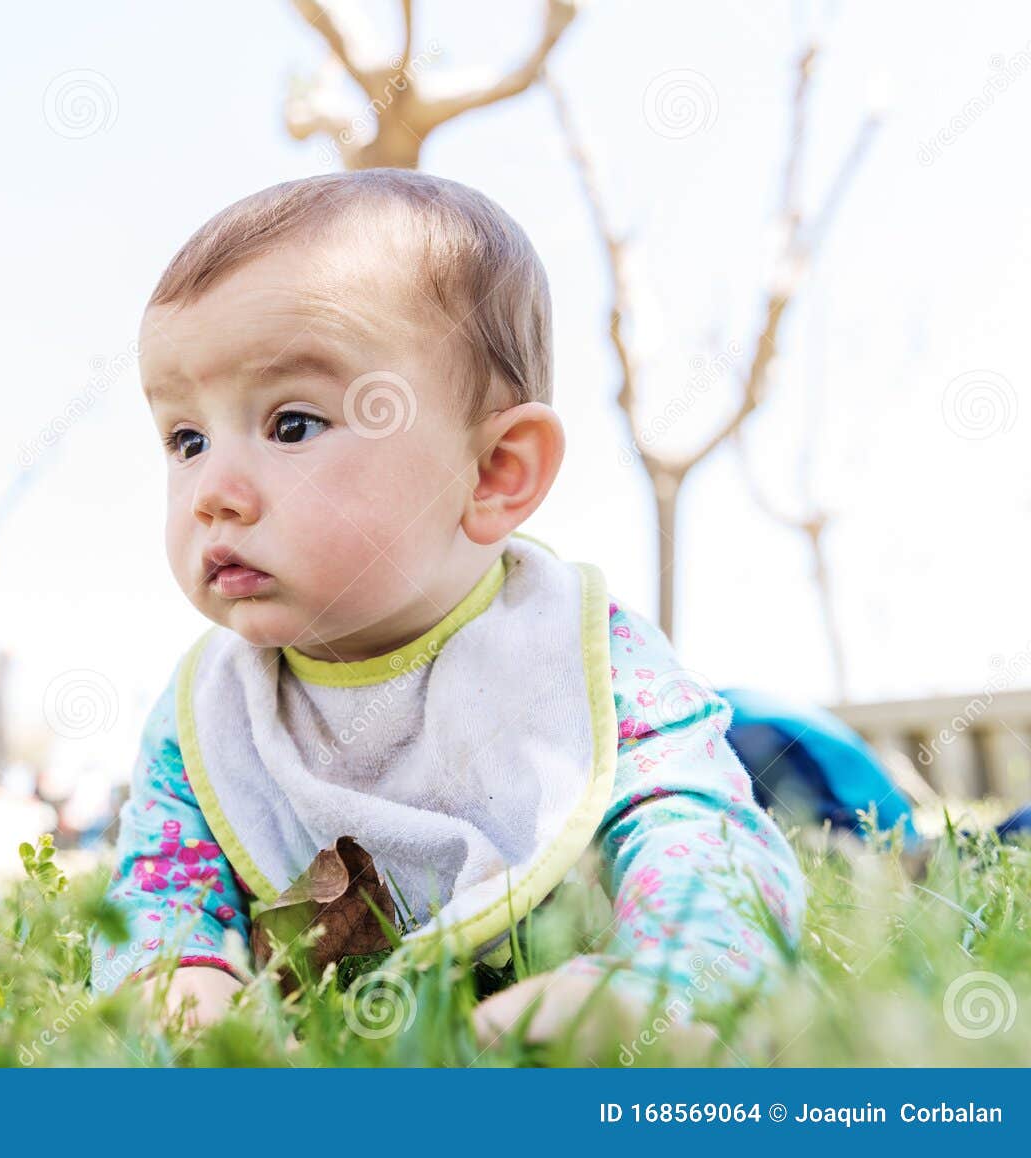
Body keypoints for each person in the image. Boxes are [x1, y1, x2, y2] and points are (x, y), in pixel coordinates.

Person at [88, 170, 804, 1047]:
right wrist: (180, 982)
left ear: (496, 472)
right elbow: (160, 894)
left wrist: (658, 981)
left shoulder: (584, 657)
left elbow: (709, 846)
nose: (213, 494)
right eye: (186, 440)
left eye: (293, 424)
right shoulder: (209, 712)